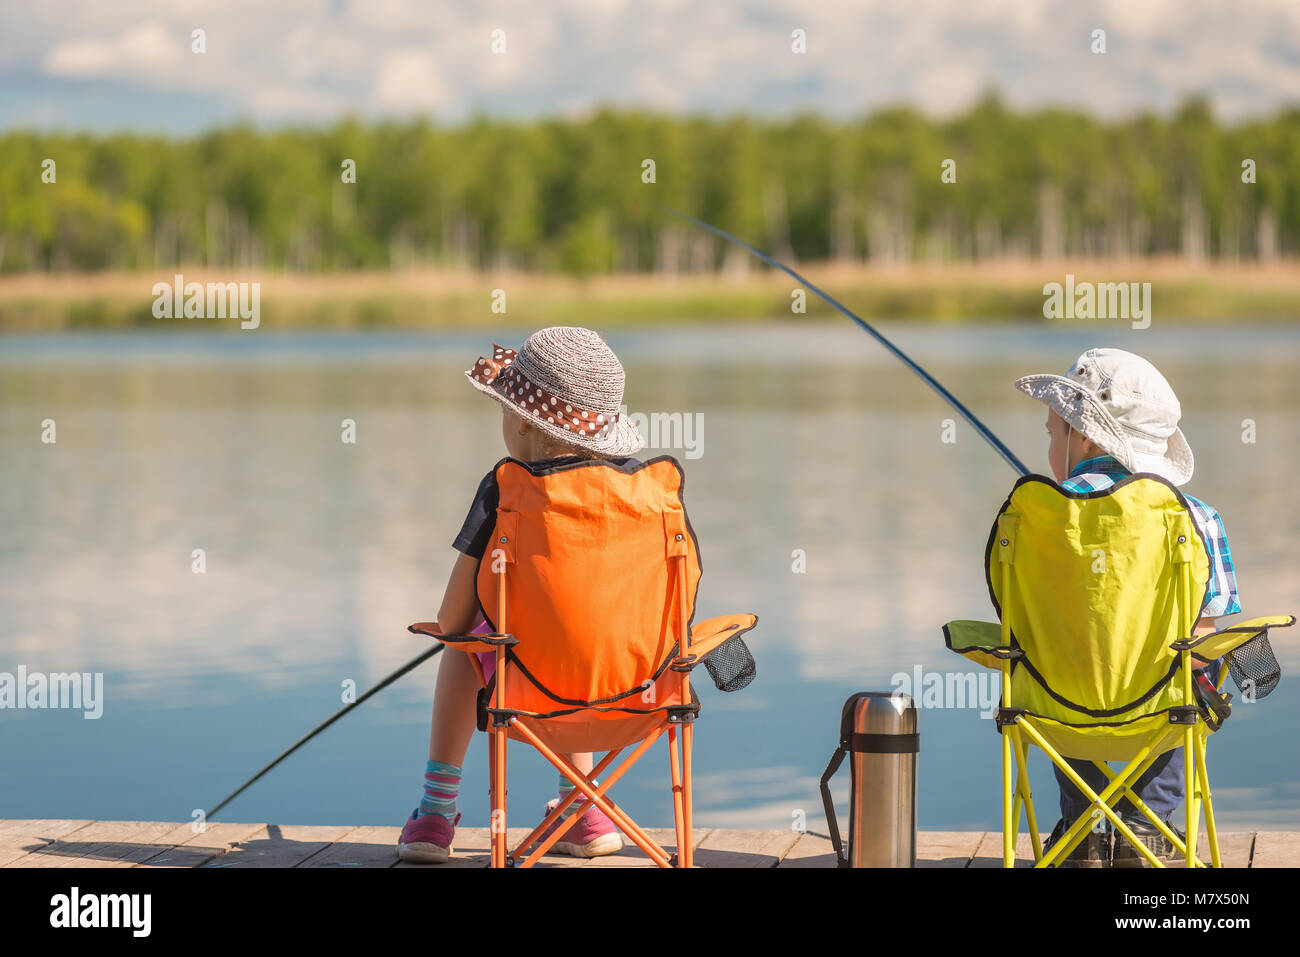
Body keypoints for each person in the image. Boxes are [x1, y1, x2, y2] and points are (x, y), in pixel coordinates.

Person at [397, 326, 644, 863]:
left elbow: (452, 616)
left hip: (526, 685)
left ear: (526, 424)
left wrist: (459, 627)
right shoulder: (643, 491)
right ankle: (584, 806)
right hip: (634, 683)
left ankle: (435, 816)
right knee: (579, 636)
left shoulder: (506, 490)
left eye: (505, 408)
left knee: (463, 647)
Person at [1011, 348, 1240, 867]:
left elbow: (1017, 622)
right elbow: (1202, 642)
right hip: (1160, 716)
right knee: (1194, 664)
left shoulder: (1032, 518)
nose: (1048, 444)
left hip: (1055, 714)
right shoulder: (1197, 519)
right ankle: (1149, 825)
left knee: (1050, 657)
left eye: (1052, 433)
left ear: (1083, 436)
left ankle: (1084, 827)